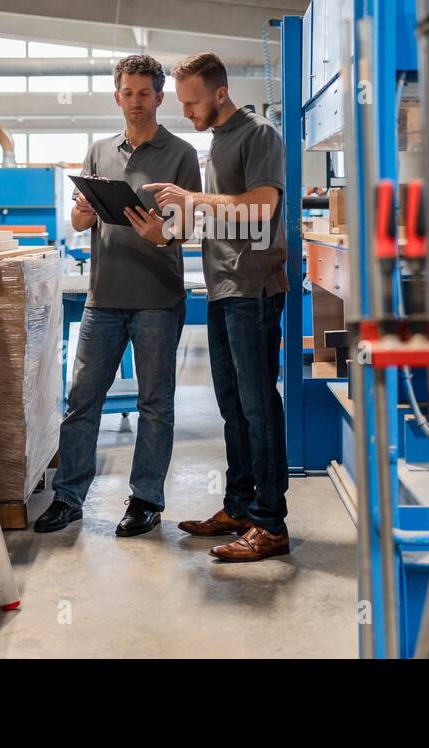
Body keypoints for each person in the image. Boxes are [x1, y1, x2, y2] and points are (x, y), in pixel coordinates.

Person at [33, 54, 202, 538]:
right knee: (82, 399)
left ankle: (146, 501)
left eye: (143, 93)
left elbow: (193, 224)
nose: (134, 102)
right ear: (116, 96)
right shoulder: (98, 150)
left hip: (157, 299)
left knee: (155, 403)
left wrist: (164, 234)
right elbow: (81, 219)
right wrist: (82, 218)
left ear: (159, 97)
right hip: (102, 299)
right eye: (126, 93)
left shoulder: (182, 154)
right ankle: (68, 497)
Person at [144, 52, 291, 562]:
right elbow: (228, 224)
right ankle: (240, 507)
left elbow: (261, 208)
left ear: (220, 93)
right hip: (223, 288)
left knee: (259, 409)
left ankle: (271, 526)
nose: (185, 112)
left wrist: (191, 198)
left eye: (192, 102)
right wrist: (168, 230)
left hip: (253, 290)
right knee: (233, 410)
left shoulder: (259, 136)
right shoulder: (219, 141)